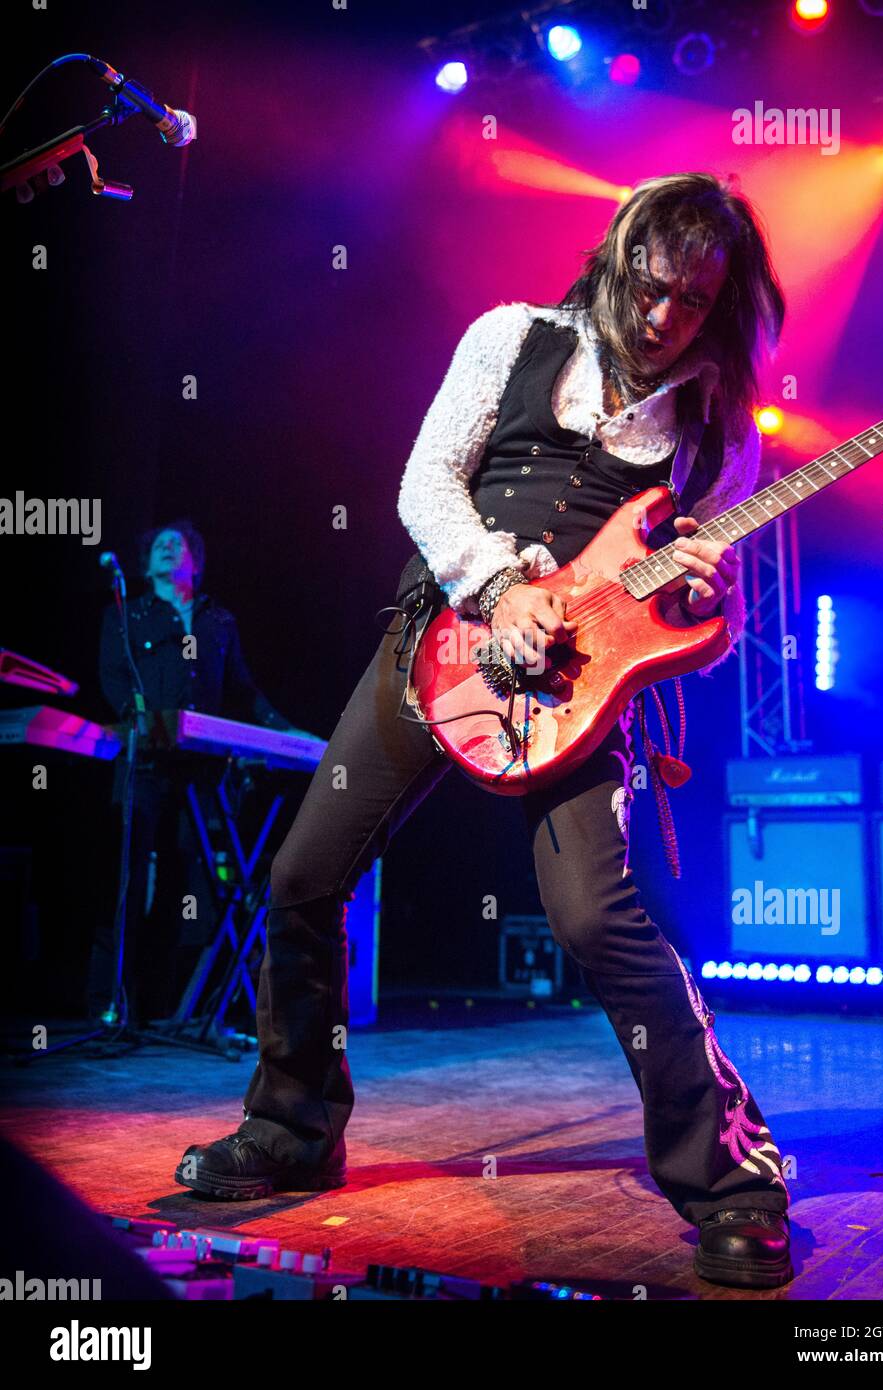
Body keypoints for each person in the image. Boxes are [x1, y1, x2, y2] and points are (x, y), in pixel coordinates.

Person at [176, 174, 793, 1289]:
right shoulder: (510, 338)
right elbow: (425, 481)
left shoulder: (714, 430)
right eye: (652, 289)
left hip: (584, 692)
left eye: (693, 303)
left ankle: (733, 1180)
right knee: (303, 877)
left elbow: (682, 609)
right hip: (444, 649)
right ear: (616, 260)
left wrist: (705, 593)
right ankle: (293, 1126)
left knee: (601, 920)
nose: (664, 319)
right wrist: (498, 584)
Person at [89, 521, 292, 1028]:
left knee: (189, 883)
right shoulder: (124, 614)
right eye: (157, 545)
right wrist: (144, 723)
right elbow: (112, 679)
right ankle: (111, 1006)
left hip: (201, 769)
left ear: (194, 562)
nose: (166, 548)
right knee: (128, 881)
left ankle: (169, 1005)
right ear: (144, 563)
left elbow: (243, 689)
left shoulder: (218, 621)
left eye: (175, 544)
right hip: (144, 763)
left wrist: (288, 732)